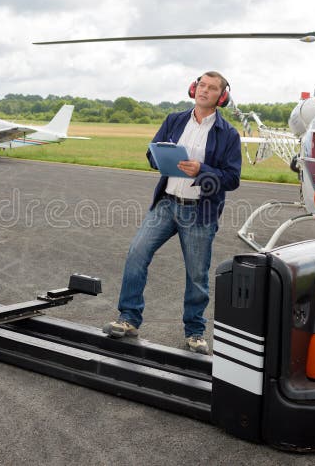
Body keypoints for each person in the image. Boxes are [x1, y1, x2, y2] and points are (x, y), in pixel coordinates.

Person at [103, 71, 242, 354]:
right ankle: (128, 318)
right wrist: (159, 158)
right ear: (194, 89)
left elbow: (231, 179)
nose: (204, 90)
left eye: (212, 88)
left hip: (199, 212)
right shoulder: (174, 120)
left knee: (196, 275)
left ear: (222, 97)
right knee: (136, 254)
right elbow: (151, 154)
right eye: (201, 85)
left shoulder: (228, 134)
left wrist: (201, 170)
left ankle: (195, 332)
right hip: (166, 204)